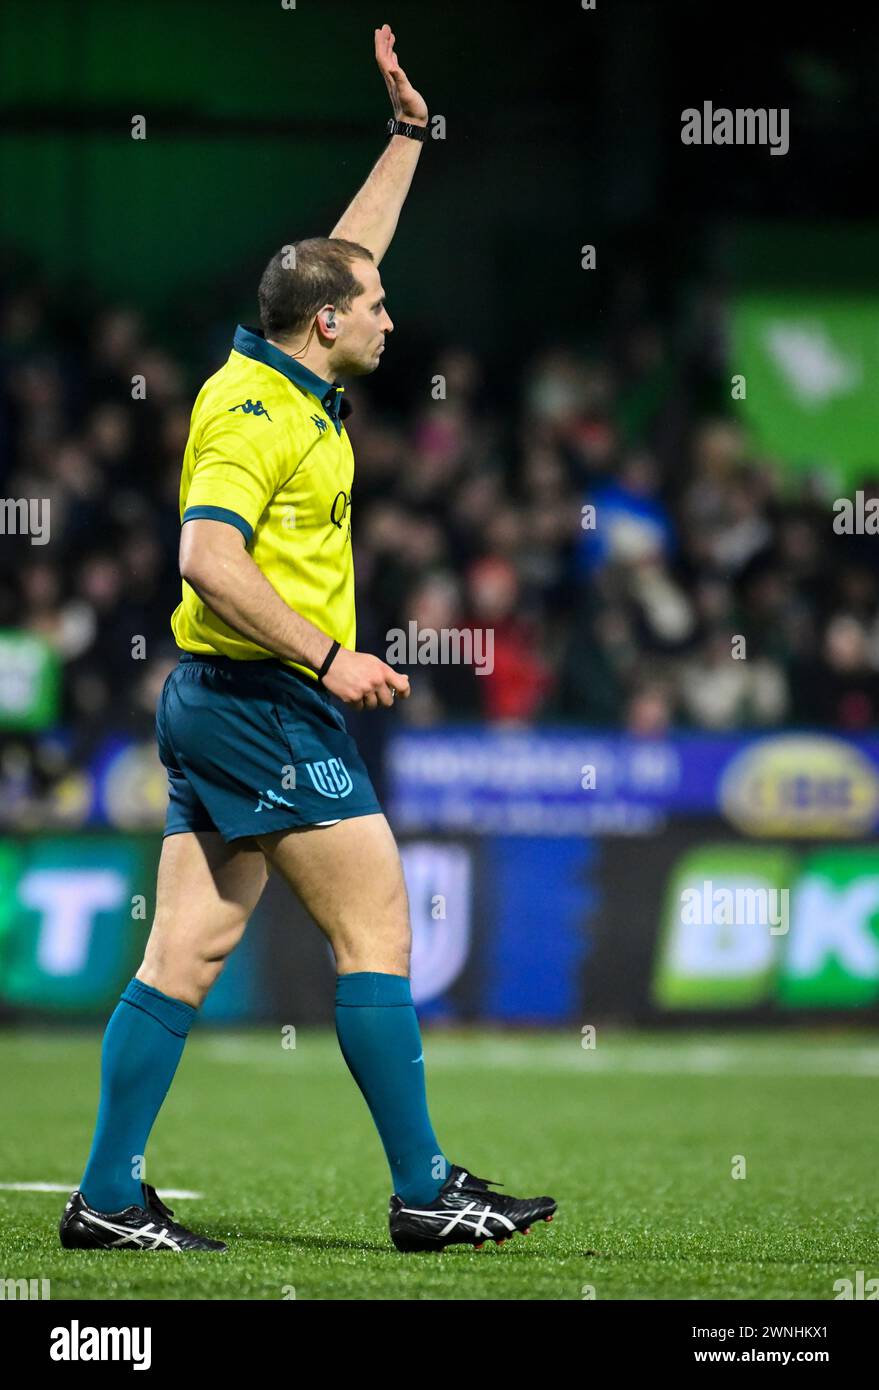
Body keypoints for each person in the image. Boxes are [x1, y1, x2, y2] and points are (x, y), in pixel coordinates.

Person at [60, 24, 556, 1255]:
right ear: (326, 324)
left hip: (223, 699)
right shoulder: (254, 418)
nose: (391, 312)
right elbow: (205, 557)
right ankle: (424, 1189)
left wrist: (406, 135)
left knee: (184, 954)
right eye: (373, 305)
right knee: (377, 929)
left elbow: (348, 256)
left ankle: (107, 1198)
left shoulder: (286, 367)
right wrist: (332, 657)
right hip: (263, 703)